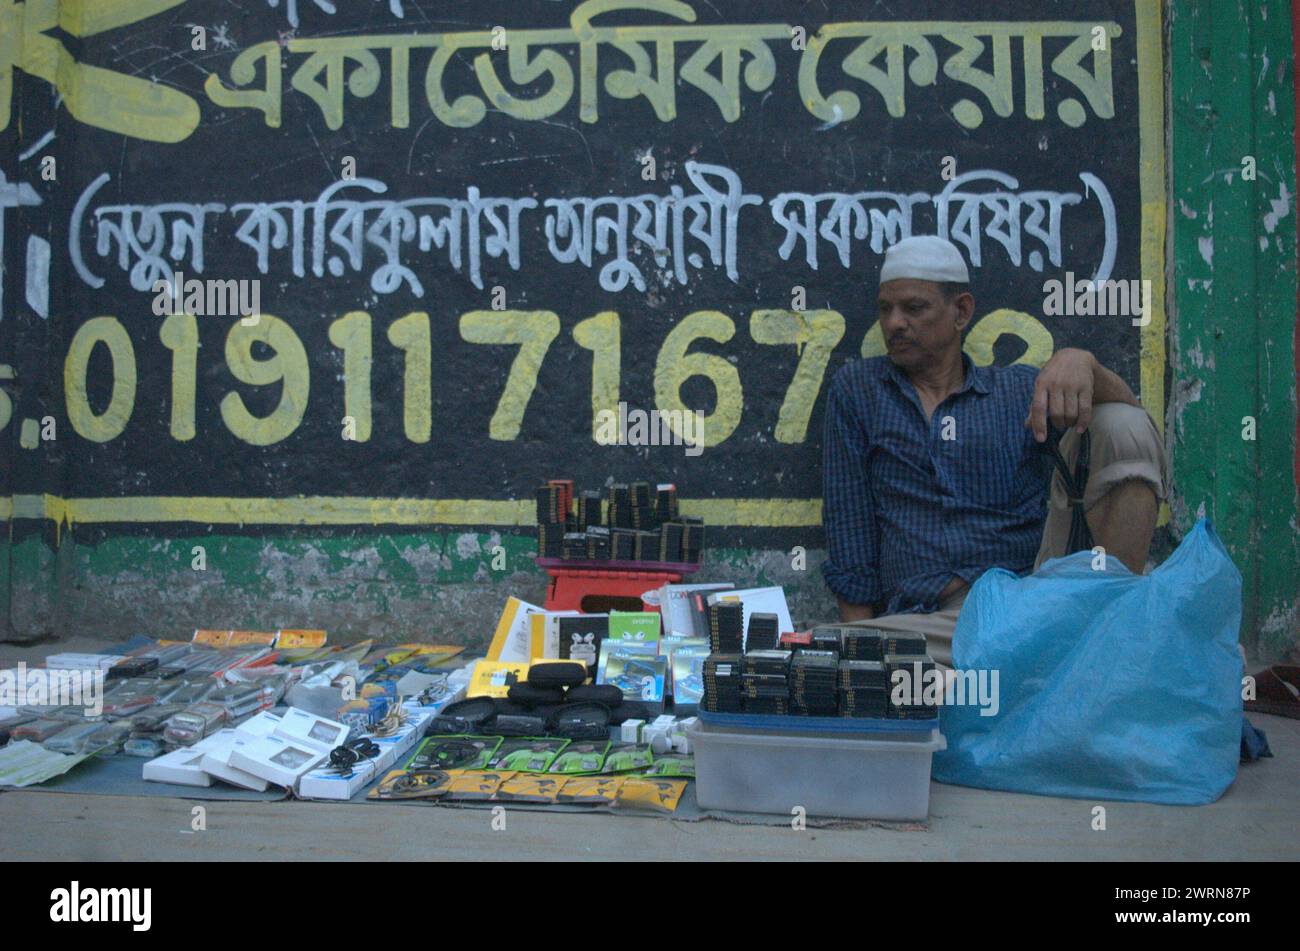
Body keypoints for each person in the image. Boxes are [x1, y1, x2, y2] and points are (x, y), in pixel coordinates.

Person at [821, 235, 1168, 666]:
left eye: (913, 308)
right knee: (817, 656)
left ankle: (1110, 640)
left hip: (1025, 608)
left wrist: (1086, 365)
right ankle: (1055, 666)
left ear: (961, 311)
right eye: (885, 309)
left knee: (1122, 422)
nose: (894, 323)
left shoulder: (1019, 391)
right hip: (924, 628)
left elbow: (1136, 433)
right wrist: (859, 661)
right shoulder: (859, 391)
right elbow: (849, 529)